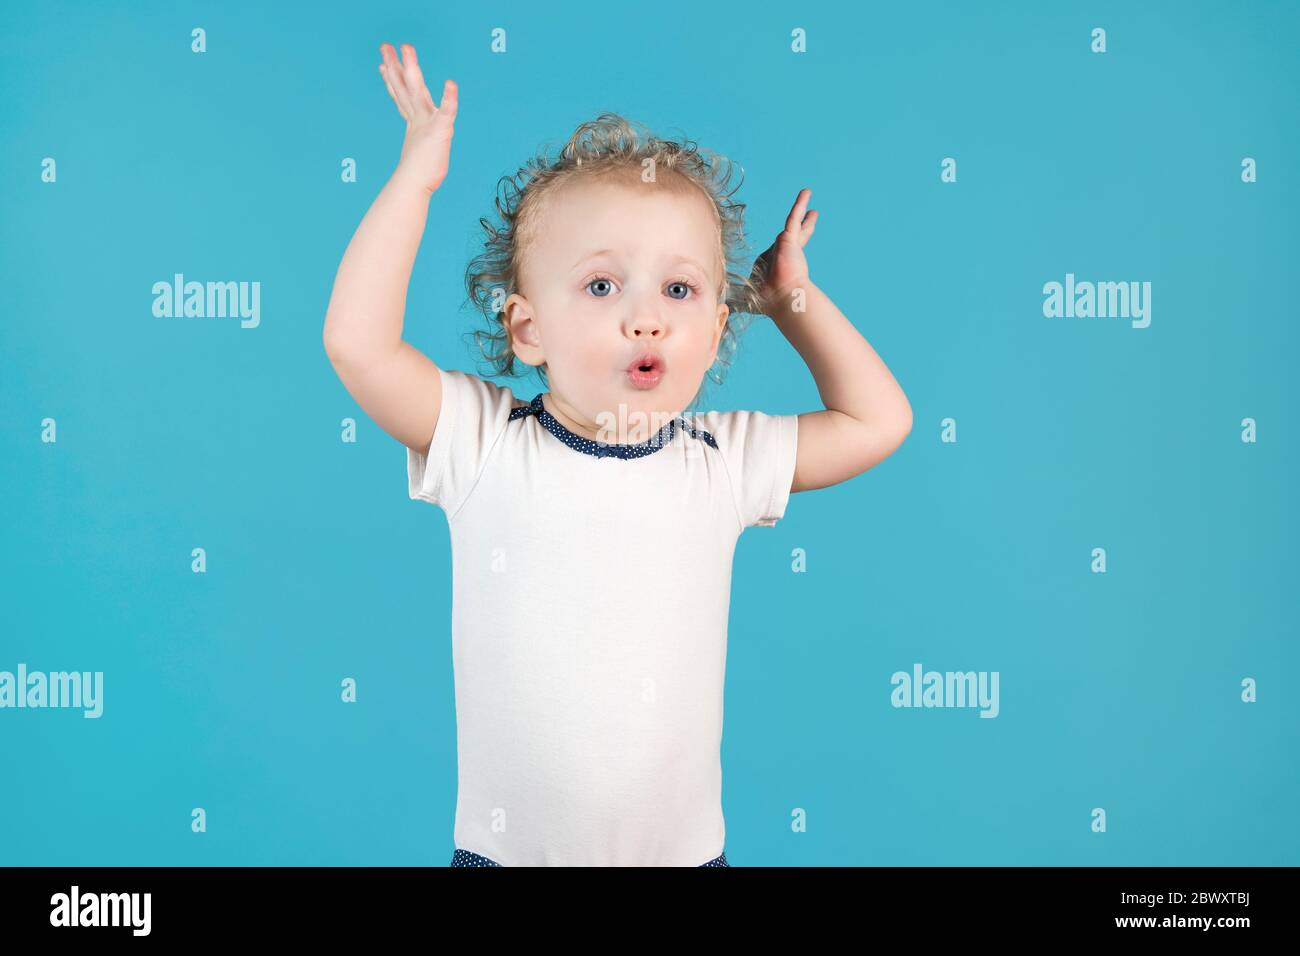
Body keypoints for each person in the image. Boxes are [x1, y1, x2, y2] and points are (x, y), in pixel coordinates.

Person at [322, 42, 913, 866]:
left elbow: (876, 420)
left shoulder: (721, 459)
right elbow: (358, 345)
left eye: (679, 290)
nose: (647, 319)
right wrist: (415, 181)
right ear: (527, 329)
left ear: (714, 332)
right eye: (602, 286)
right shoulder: (485, 444)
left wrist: (794, 302)